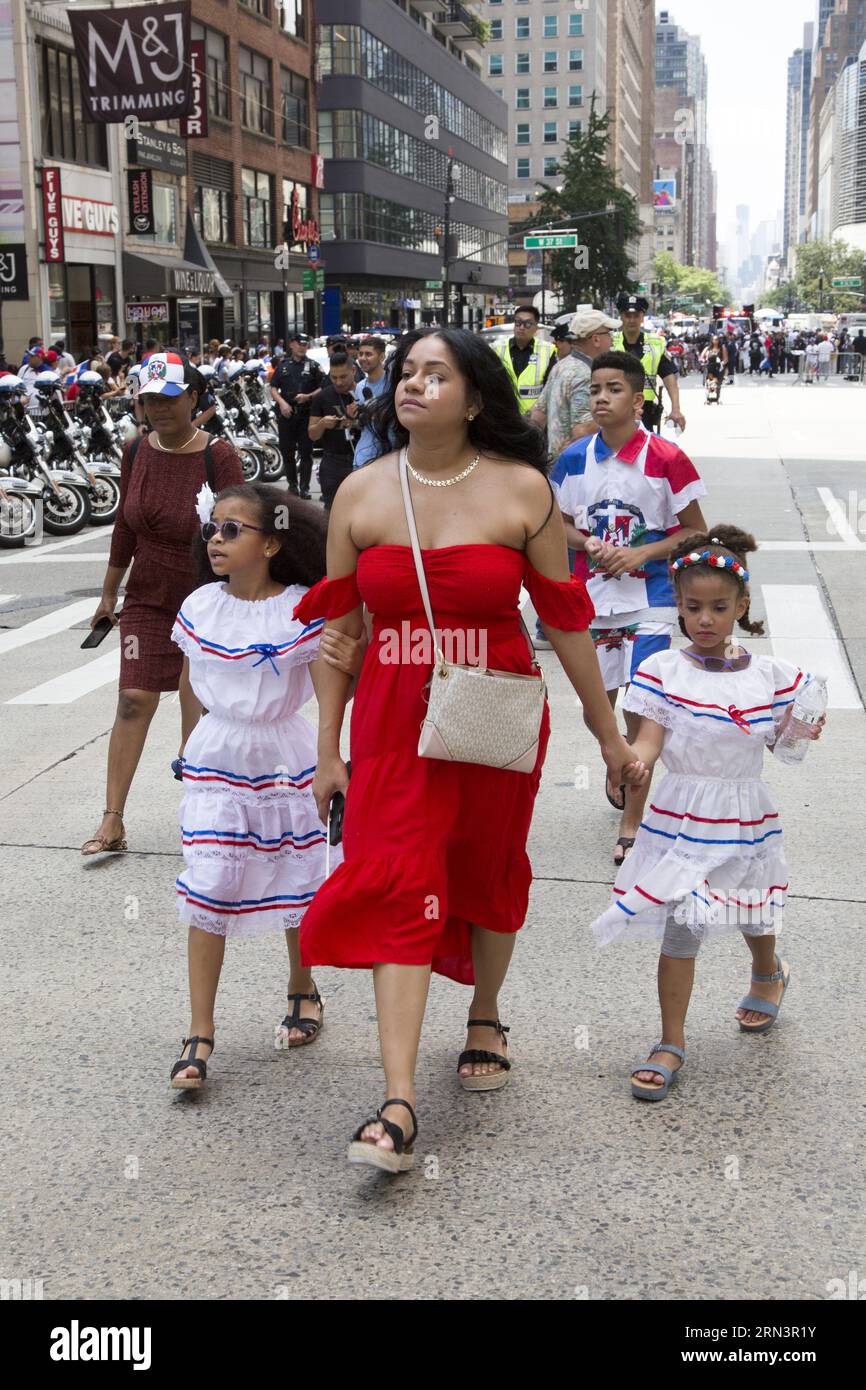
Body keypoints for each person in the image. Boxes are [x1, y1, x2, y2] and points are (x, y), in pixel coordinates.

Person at [291, 326, 643, 1172]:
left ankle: (486, 1009)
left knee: (483, 866)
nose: (412, 385)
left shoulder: (523, 491)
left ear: (475, 396)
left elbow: (564, 622)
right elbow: (341, 635)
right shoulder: (362, 495)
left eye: (435, 374)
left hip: (493, 711)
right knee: (397, 876)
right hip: (389, 719)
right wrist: (327, 747)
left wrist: (608, 736)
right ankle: (399, 1099)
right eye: (406, 373)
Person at [589, 526, 825, 1100]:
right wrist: (636, 765)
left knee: (753, 912)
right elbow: (649, 740)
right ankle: (672, 1040)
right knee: (683, 925)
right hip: (681, 821)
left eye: (719, 608)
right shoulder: (664, 670)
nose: (705, 619)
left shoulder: (771, 676)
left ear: (742, 607)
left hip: (744, 816)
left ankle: (768, 971)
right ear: (677, 605)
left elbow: (784, 747)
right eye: (693, 607)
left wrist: (804, 724)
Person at [167, 483, 364, 1087]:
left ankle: (302, 987)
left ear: (274, 543)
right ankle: (200, 1031)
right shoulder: (200, 604)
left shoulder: (304, 608)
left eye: (233, 530)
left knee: (297, 875)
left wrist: (333, 747)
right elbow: (188, 681)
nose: (216, 540)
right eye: (213, 529)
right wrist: (186, 744)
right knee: (210, 883)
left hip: (285, 753)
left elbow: (336, 684)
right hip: (216, 757)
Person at [81, 354, 245, 856]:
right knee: (133, 699)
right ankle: (112, 821)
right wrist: (110, 591)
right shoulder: (136, 451)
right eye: (150, 399)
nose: (159, 408)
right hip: (147, 595)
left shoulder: (218, 456)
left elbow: (241, 527)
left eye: (169, 398)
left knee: (200, 718)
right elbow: (126, 526)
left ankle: (204, 818)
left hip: (205, 597)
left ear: (192, 398)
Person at [549, 350, 707, 865]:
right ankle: (615, 759)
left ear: (638, 401)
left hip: (651, 601)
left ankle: (632, 821)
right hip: (588, 603)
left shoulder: (666, 458)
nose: (600, 397)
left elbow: (696, 530)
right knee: (602, 713)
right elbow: (556, 526)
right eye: (595, 389)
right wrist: (589, 544)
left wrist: (641, 551)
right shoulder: (573, 459)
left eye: (613, 389)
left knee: (643, 714)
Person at [529, 309, 620, 466]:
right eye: (609, 334)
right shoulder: (585, 375)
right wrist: (622, 416)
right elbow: (582, 431)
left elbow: (537, 416)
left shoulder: (561, 366)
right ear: (596, 339)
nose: (612, 340)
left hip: (556, 467)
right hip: (578, 469)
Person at [612, 294, 686, 434]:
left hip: (646, 413)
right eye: (628, 315)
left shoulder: (655, 344)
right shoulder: (610, 343)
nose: (632, 320)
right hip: (616, 410)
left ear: (642, 317)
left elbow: (669, 378)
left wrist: (676, 409)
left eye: (636, 315)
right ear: (621, 316)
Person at [270, 331, 325, 498]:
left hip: (306, 414)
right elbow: (273, 388)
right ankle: (292, 485)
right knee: (287, 451)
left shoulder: (314, 366)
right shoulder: (283, 365)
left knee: (306, 452)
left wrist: (308, 396)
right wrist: (282, 403)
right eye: (299, 344)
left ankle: (305, 487)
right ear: (291, 345)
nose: (302, 348)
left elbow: (323, 387)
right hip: (287, 414)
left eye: (305, 345)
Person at [307, 351, 361, 510]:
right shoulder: (322, 397)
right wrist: (322, 424)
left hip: (362, 459)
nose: (338, 382)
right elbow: (312, 434)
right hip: (333, 461)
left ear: (353, 371)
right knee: (332, 511)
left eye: (343, 377)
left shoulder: (364, 392)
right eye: (334, 377)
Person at [492, 305, 555, 414]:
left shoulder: (548, 350)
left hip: (534, 420)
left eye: (527, 324)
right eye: (518, 322)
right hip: (504, 417)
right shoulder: (496, 349)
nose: (521, 327)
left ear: (536, 328)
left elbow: (550, 390)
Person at [351, 336, 390, 470]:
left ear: (382, 357)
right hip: (364, 457)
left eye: (368, 354)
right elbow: (359, 425)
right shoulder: (360, 387)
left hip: (390, 455)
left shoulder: (393, 383)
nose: (362, 358)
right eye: (360, 354)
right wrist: (353, 418)